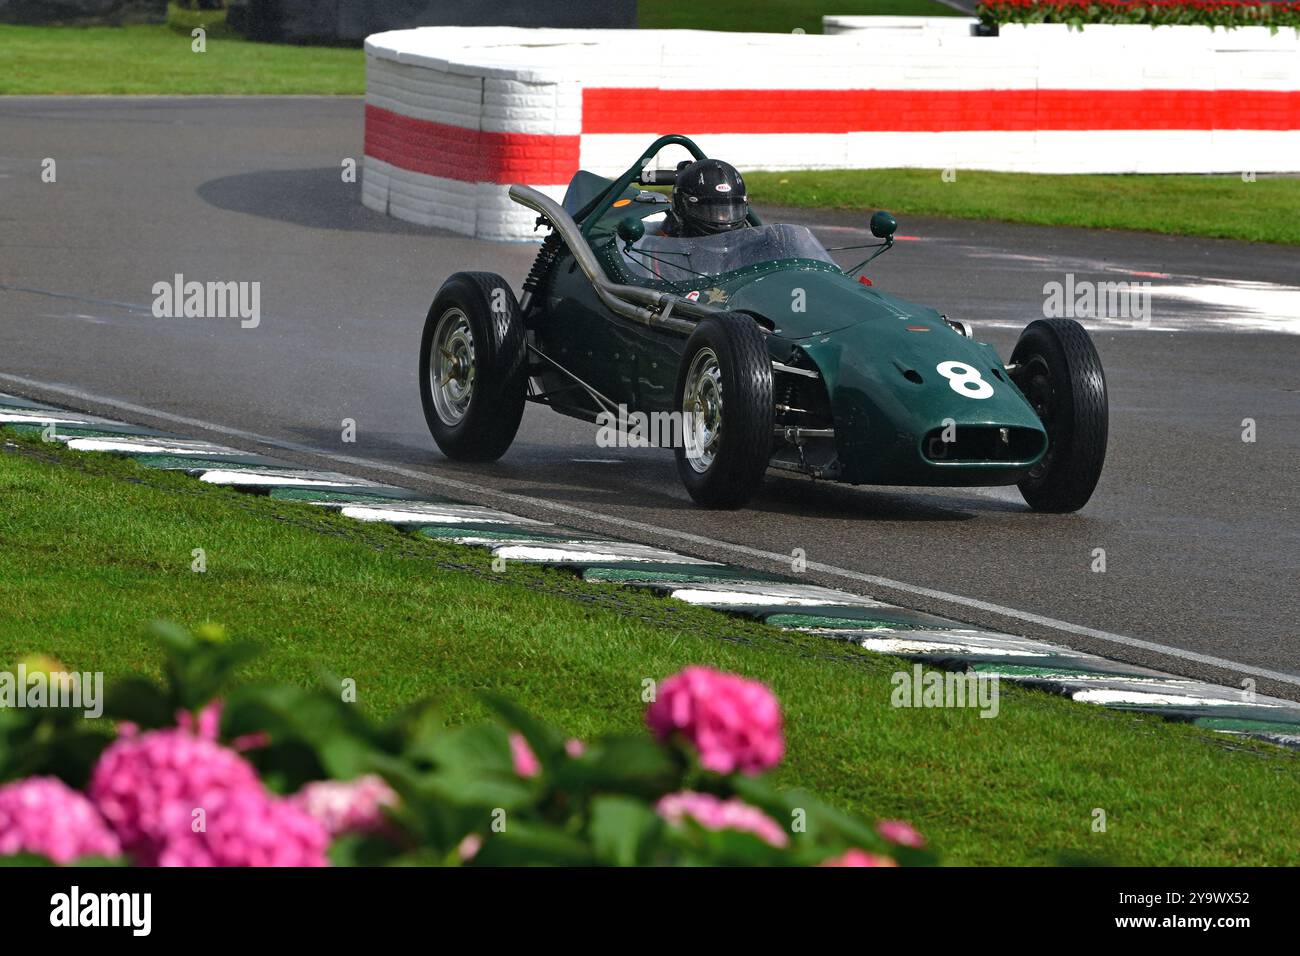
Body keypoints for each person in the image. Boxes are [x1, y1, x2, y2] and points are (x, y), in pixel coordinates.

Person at [661, 159, 751, 238]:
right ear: (681, 204)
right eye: (711, 211)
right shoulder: (661, 244)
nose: (723, 218)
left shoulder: (750, 244)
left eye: (728, 212)